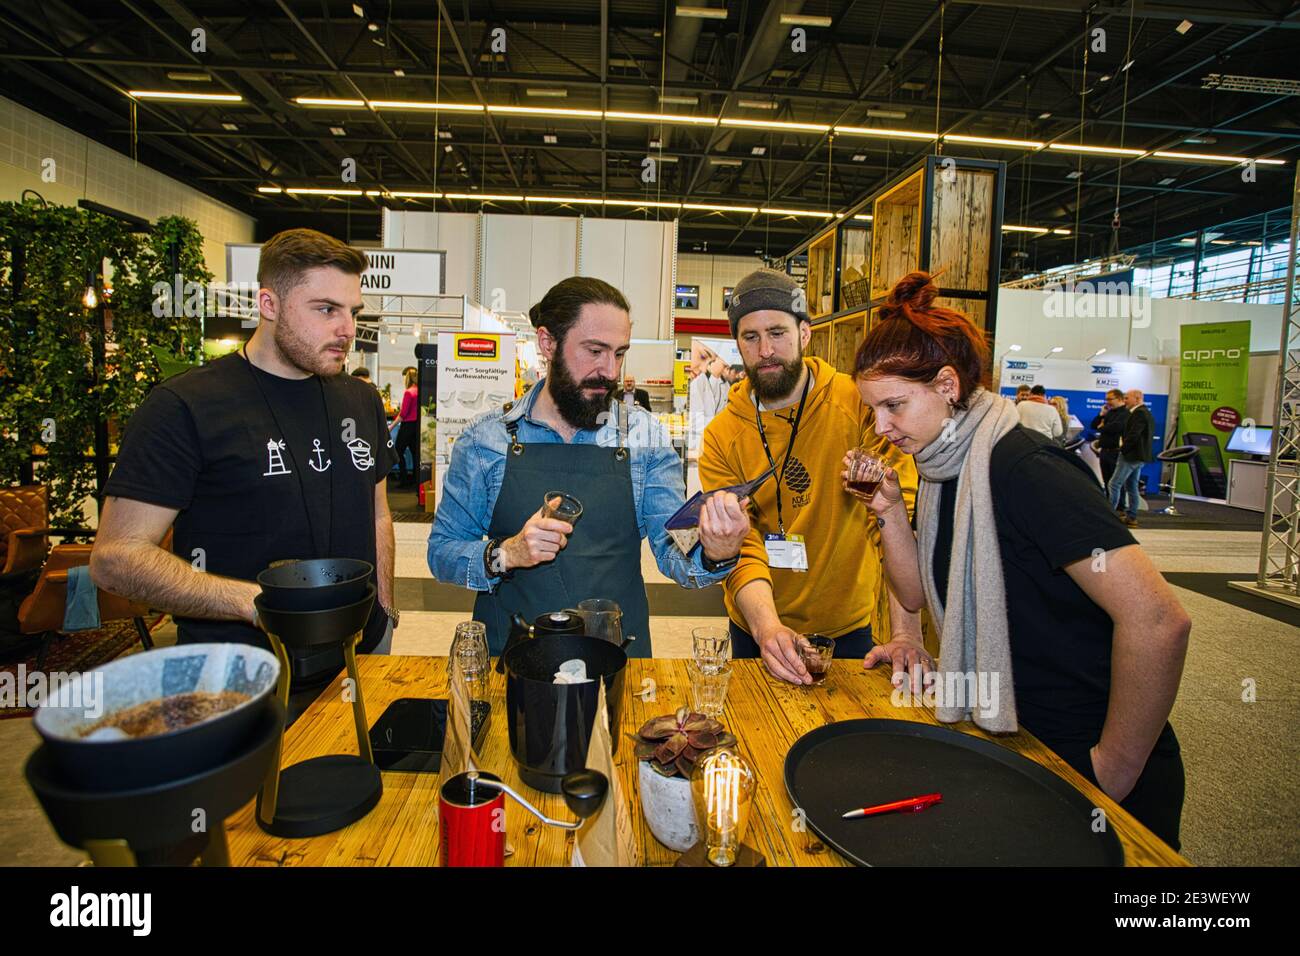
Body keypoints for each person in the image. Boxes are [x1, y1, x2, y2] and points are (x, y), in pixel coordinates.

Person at [849, 271, 1190, 850]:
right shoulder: (942, 467)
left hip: (1086, 759)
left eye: (893, 406)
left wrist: (1111, 768)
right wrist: (888, 513)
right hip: (1016, 742)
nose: (880, 428)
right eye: (873, 410)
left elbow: (1160, 621)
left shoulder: (1023, 468)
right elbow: (912, 597)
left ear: (949, 385)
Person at [90, 228, 399, 684]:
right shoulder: (186, 405)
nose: (348, 330)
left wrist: (385, 608)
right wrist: (254, 604)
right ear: (269, 305)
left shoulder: (360, 400)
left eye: (353, 312)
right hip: (239, 672)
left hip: (360, 655)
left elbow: (376, 512)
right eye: (326, 310)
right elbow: (116, 557)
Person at [427, 276, 750, 654]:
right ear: (547, 343)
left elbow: (675, 552)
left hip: (615, 662)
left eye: (619, 353)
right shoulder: (487, 441)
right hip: (512, 663)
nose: (610, 371)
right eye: (595, 351)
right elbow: (442, 552)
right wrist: (506, 554)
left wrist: (716, 551)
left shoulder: (642, 437)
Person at [699, 268, 921, 684]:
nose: (765, 350)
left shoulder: (860, 405)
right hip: (756, 627)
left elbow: (895, 519)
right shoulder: (721, 436)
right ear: (737, 345)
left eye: (778, 332)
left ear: (804, 334)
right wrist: (768, 631)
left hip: (847, 630)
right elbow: (740, 546)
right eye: (750, 337)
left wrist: (906, 631)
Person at [1110, 389, 1155, 528]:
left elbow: (1134, 435)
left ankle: (1109, 515)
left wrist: (1123, 449)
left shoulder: (1139, 413)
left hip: (1131, 456)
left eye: (1127, 398)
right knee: (1132, 486)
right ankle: (1131, 516)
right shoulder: (1144, 413)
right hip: (1138, 457)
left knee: (1114, 484)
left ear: (1137, 398)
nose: (1124, 400)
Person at [1090, 388, 1129, 494]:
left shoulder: (1125, 413)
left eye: (1110, 399)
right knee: (1106, 480)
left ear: (1120, 398)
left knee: (1115, 482)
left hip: (1115, 451)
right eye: (1106, 399)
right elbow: (1093, 425)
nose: (1107, 402)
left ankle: (1120, 507)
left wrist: (1102, 427)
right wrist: (1101, 415)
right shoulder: (1109, 412)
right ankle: (1109, 502)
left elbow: (1115, 428)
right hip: (1104, 451)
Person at [392, 367, 421, 488]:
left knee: (398, 451)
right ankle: (415, 479)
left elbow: (403, 414)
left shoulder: (408, 392)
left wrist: (391, 426)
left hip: (407, 426)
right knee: (415, 453)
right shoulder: (419, 391)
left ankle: (404, 479)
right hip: (416, 426)